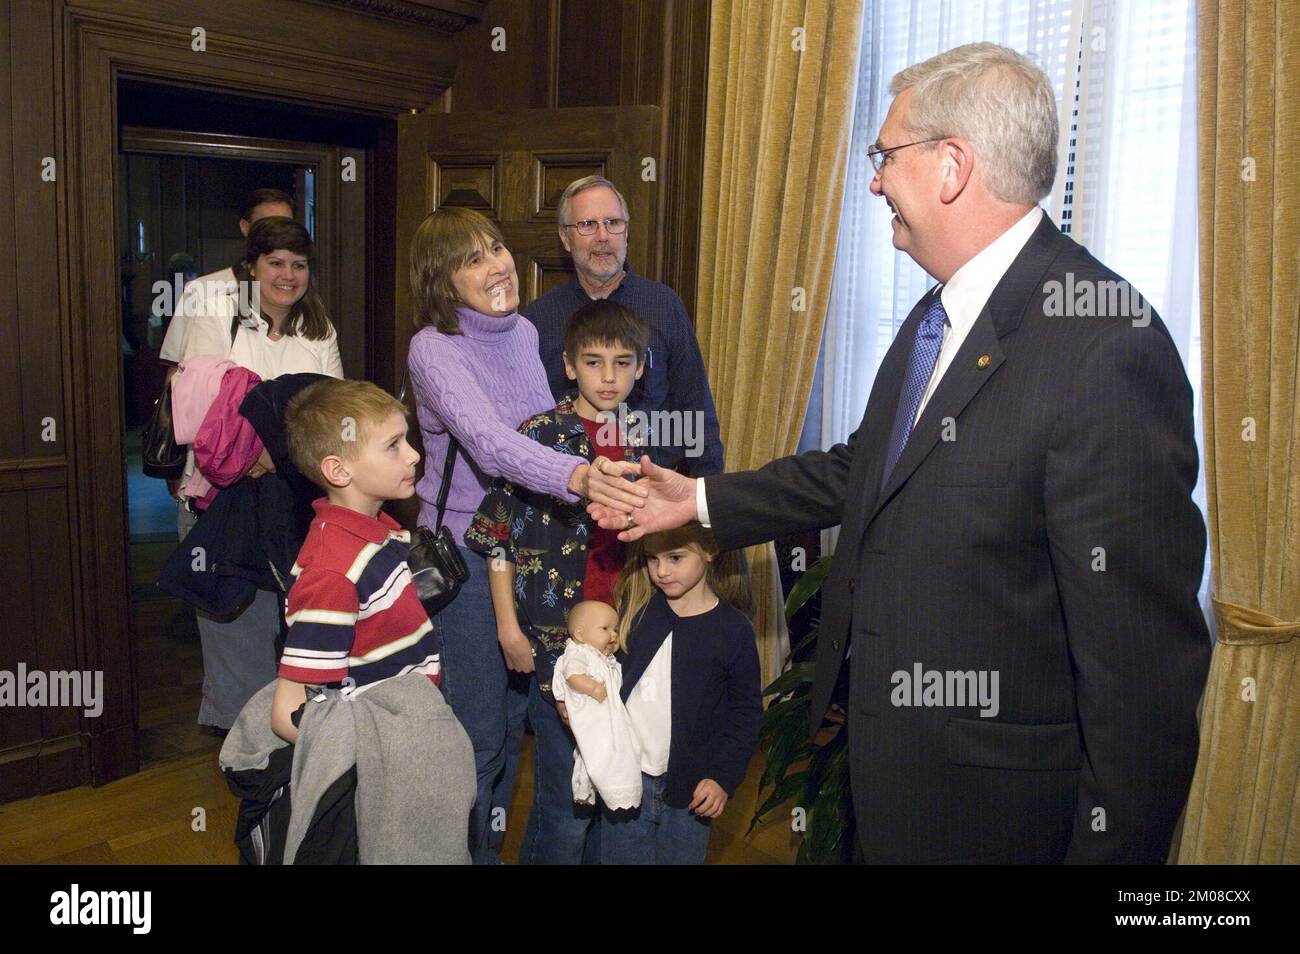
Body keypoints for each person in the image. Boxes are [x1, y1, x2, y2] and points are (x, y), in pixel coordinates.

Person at [590, 43, 1211, 864]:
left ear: (953, 165)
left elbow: (1142, 686)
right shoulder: (934, 319)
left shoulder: (1106, 347)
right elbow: (862, 471)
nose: (875, 180)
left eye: (885, 156)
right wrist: (699, 503)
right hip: (890, 775)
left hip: (999, 811)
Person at [405, 207, 644, 864]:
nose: (498, 265)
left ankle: (489, 849)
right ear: (441, 279)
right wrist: (583, 476)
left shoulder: (520, 332)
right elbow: (492, 444)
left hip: (531, 552)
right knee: (478, 733)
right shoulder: (433, 347)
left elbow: (548, 430)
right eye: (474, 258)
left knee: (517, 729)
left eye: (498, 247)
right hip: (468, 561)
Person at [464, 298, 649, 862]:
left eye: (623, 362)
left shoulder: (640, 441)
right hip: (551, 642)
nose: (609, 377)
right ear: (569, 366)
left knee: (606, 784)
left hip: (619, 638)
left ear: (641, 367)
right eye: (594, 363)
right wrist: (506, 628)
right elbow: (496, 533)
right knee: (562, 798)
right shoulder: (541, 434)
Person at [177, 216, 343, 732]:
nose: (288, 275)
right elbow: (198, 403)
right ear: (250, 267)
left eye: (299, 265)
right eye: (275, 263)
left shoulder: (319, 331)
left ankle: (295, 738)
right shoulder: (218, 318)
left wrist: (277, 458)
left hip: (293, 499)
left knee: (298, 624)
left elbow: (333, 411)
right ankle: (243, 748)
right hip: (224, 498)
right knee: (236, 631)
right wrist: (260, 456)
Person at [273, 379, 443, 738]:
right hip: (377, 742)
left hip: (406, 721)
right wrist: (364, 754)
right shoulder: (333, 573)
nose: (413, 454)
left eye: (406, 440)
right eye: (393, 446)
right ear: (338, 470)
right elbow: (288, 713)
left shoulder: (375, 531)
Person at [523, 175, 725, 476]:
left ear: (626, 233)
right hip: (565, 499)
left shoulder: (663, 306)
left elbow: (694, 409)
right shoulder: (539, 319)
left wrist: (704, 503)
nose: (603, 236)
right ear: (565, 239)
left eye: (613, 223)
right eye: (587, 225)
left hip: (651, 495)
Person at [600, 524, 761, 865]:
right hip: (624, 779)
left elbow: (745, 713)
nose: (661, 571)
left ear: (709, 552)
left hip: (691, 790)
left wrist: (722, 777)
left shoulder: (735, 630)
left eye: (675, 558)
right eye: (652, 559)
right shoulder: (638, 610)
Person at [551, 601, 642, 811]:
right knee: (596, 751)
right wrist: (592, 688)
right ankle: (599, 784)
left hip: (606, 716)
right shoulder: (579, 652)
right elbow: (572, 675)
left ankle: (610, 786)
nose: (613, 635)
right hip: (591, 714)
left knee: (608, 751)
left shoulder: (603, 658)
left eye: (615, 630)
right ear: (580, 634)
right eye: (605, 629)